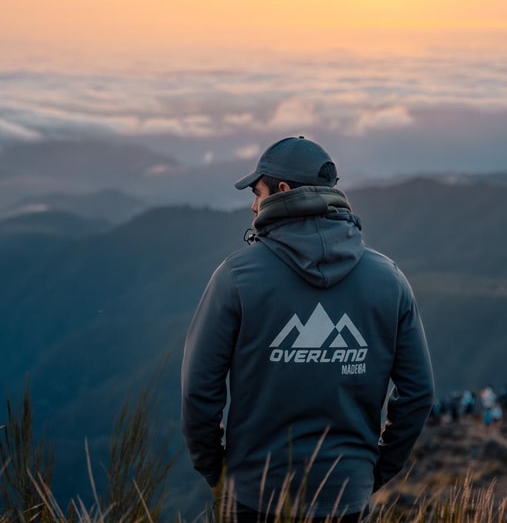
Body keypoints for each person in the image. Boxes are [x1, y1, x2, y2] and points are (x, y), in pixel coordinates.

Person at [181, 136, 435, 523]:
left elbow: (200, 393)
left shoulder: (236, 278)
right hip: (347, 499)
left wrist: (219, 473)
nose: (252, 205)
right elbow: (418, 393)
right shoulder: (389, 280)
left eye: (257, 191)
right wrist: (370, 473)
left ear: (281, 190)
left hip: (254, 496)